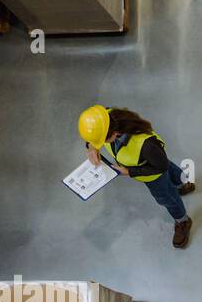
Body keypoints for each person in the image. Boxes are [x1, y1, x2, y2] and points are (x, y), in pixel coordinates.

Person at [79, 105, 195, 249]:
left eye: (101, 141)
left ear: (114, 134)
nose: (100, 144)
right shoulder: (105, 117)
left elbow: (160, 167)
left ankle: (183, 221)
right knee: (166, 164)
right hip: (152, 159)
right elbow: (96, 134)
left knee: (166, 197)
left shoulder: (145, 145)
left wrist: (129, 172)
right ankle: (183, 184)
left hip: (153, 175)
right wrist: (92, 147)